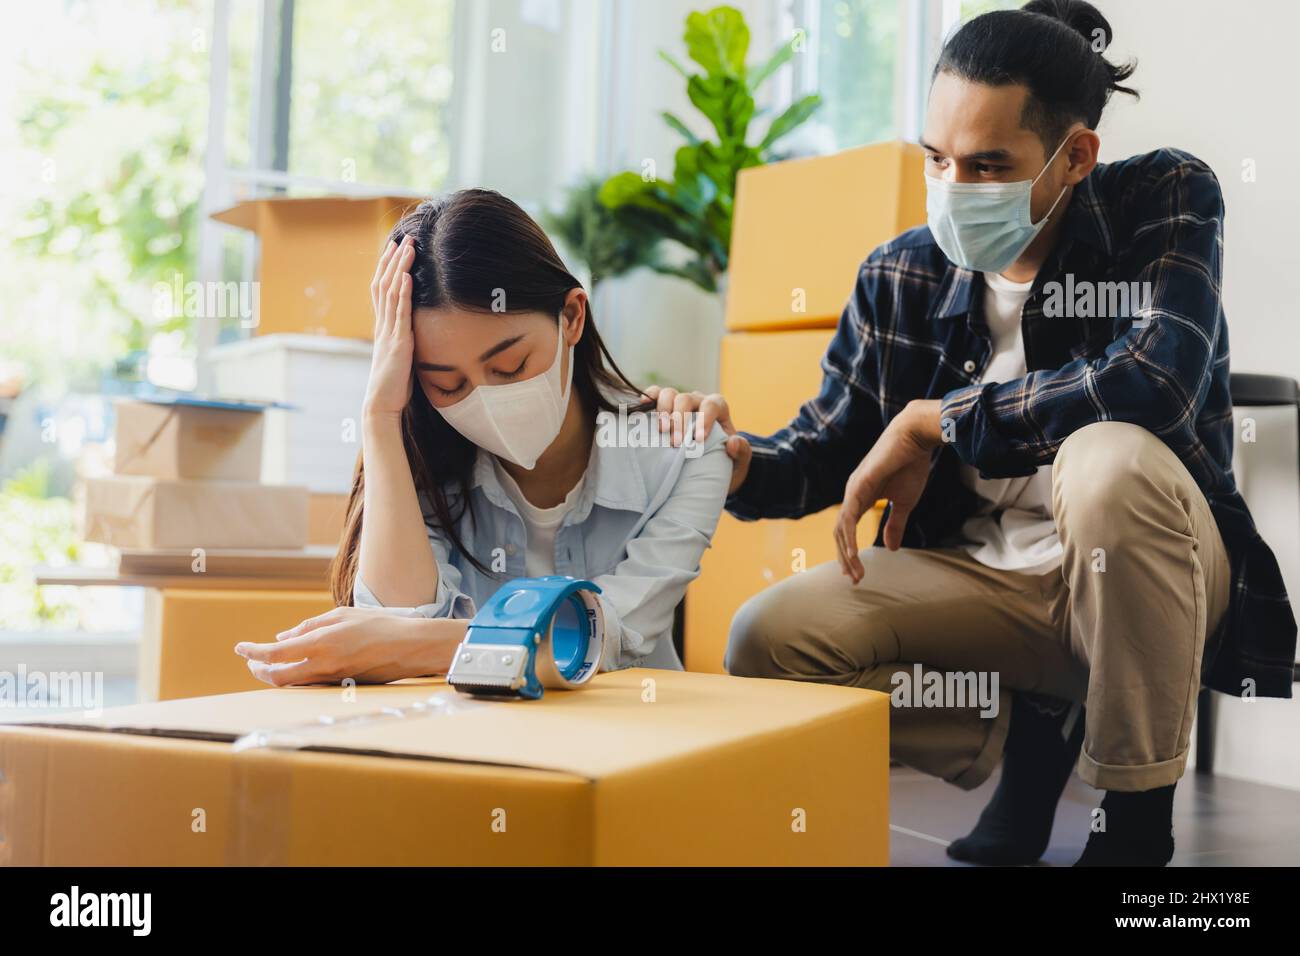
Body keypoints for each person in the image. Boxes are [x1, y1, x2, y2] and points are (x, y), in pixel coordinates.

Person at [651, 0, 1297, 867]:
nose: (954, 187)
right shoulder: (898, 274)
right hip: (989, 585)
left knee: (1106, 462)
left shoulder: (1163, 197)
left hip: (1150, 577)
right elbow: (826, 452)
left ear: (1075, 156)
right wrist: (731, 464)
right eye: (937, 158)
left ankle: (1135, 813)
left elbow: (1157, 381)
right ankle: (1027, 735)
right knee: (767, 640)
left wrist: (941, 422)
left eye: (989, 165)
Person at [235, 189, 731, 686]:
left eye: (509, 366)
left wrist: (416, 643)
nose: (487, 399)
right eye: (447, 383)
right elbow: (398, 619)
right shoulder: (425, 465)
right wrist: (380, 416)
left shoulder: (685, 454)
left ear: (572, 317)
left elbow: (609, 637)